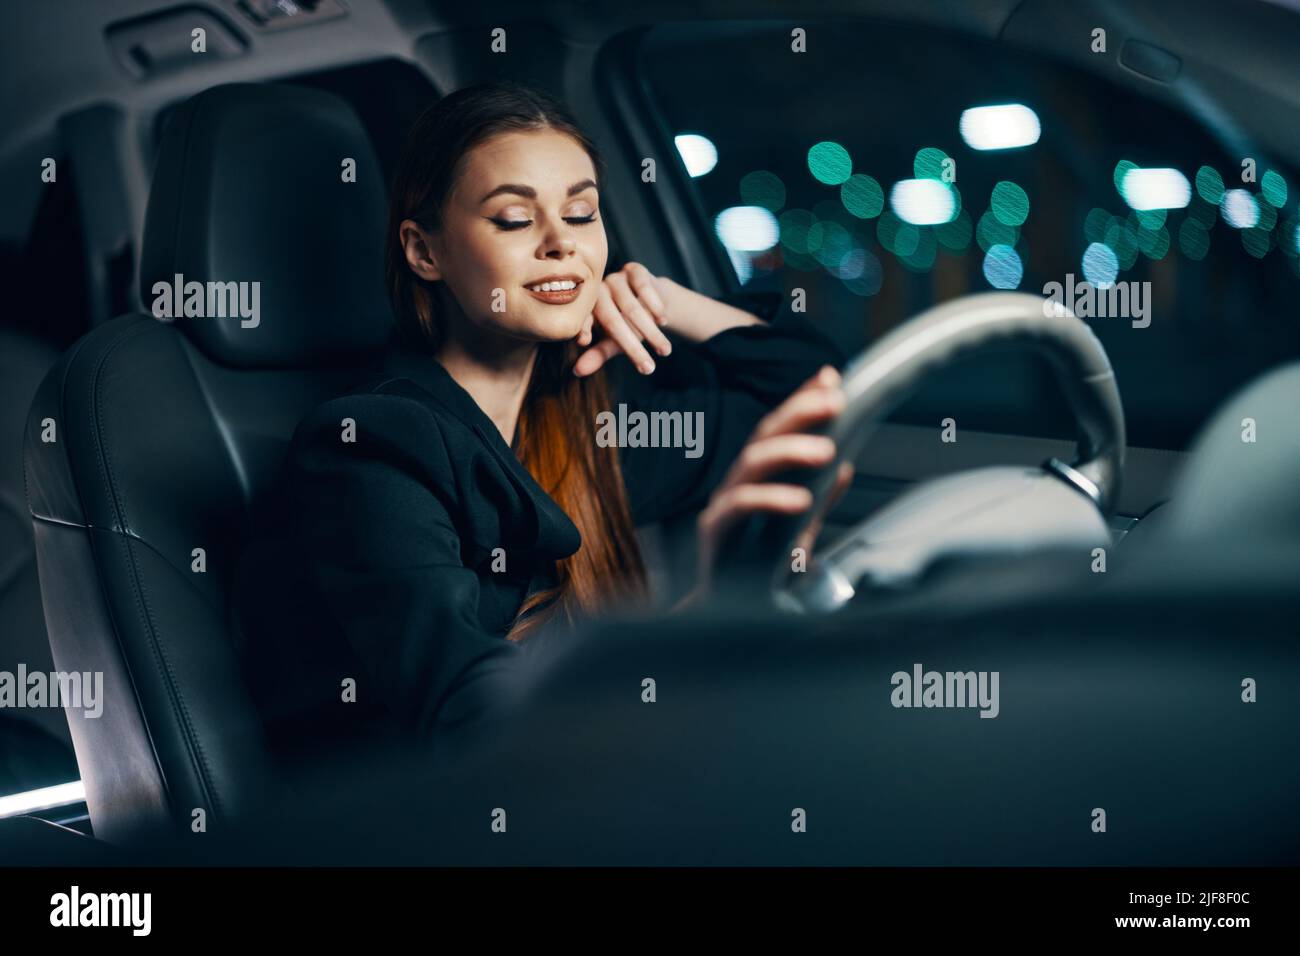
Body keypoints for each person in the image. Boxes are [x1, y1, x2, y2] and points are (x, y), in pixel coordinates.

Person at [283, 80, 849, 757]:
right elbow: (473, 720)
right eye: (515, 219)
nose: (561, 244)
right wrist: (717, 606)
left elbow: (813, 396)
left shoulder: (585, 421)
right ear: (423, 251)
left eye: (581, 213)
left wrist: (668, 302)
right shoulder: (368, 451)